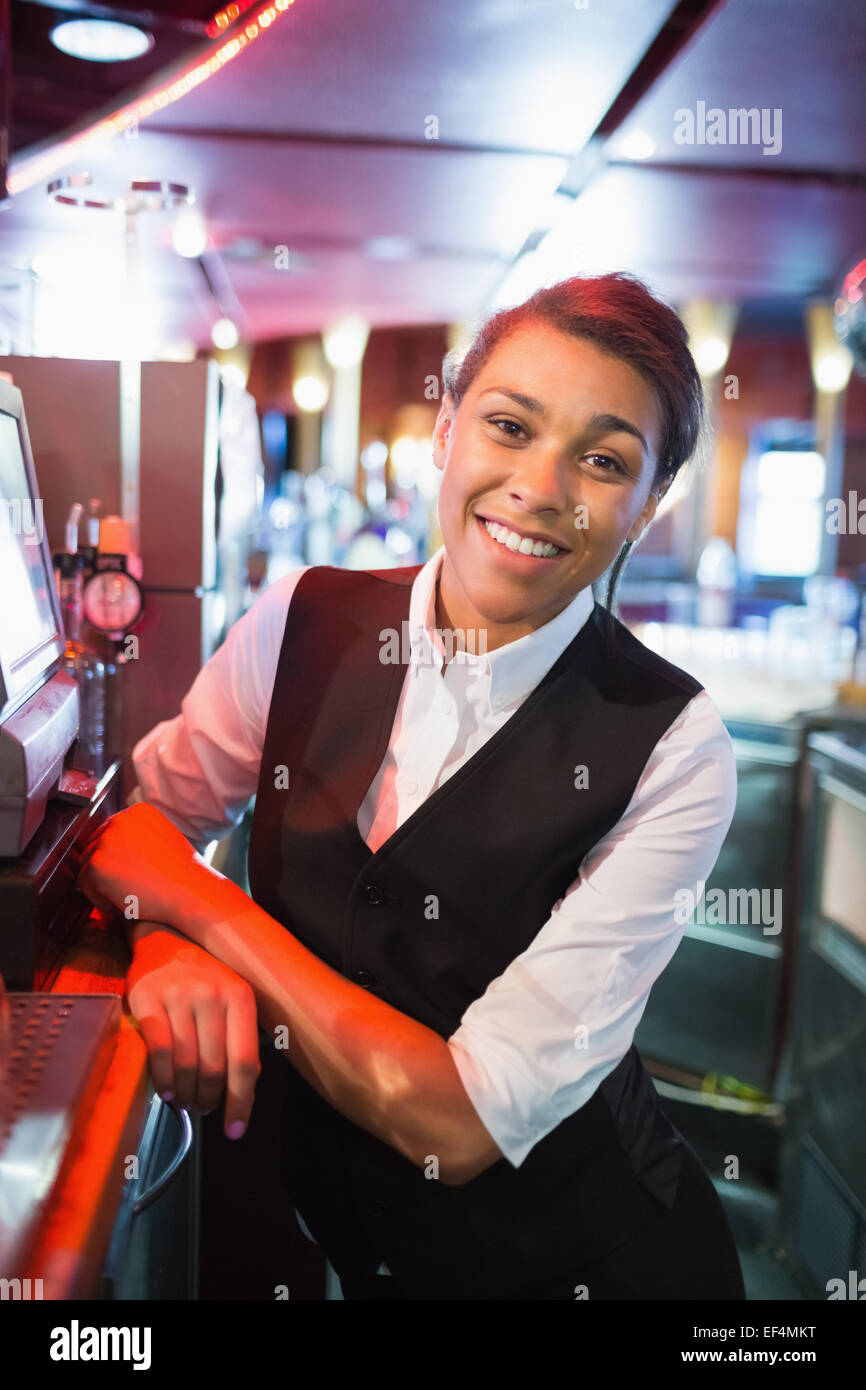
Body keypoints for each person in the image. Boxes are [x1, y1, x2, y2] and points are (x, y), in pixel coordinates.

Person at [78, 272, 746, 1301]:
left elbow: (459, 1118)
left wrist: (202, 909)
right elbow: (140, 829)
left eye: (603, 458)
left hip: (581, 1264)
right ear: (444, 430)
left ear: (647, 503)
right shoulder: (302, 617)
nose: (538, 484)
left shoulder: (672, 746)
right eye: (509, 424)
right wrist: (164, 944)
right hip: (323, 1243)